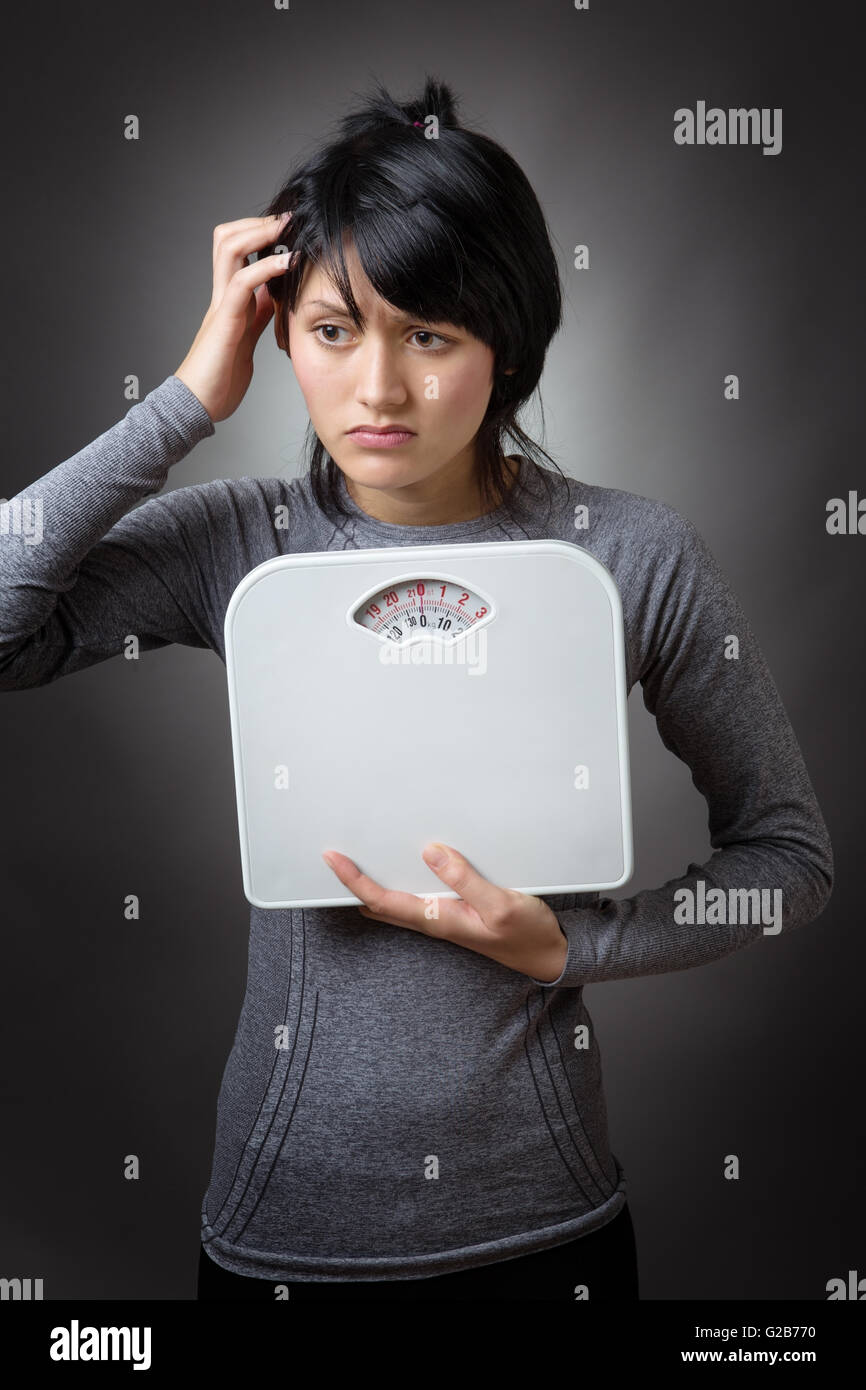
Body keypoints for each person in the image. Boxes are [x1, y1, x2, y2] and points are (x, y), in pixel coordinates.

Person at [0, 77, 832, 1302]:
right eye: (333, 330)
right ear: (279, 330)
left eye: (428, 335)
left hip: (546, 1236)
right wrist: (182, 403)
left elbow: (786, 863)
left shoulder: (631, 552)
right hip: (277, 1235)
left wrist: (571, 945)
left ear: (508, 344)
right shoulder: (243, 541)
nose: (377, 390)